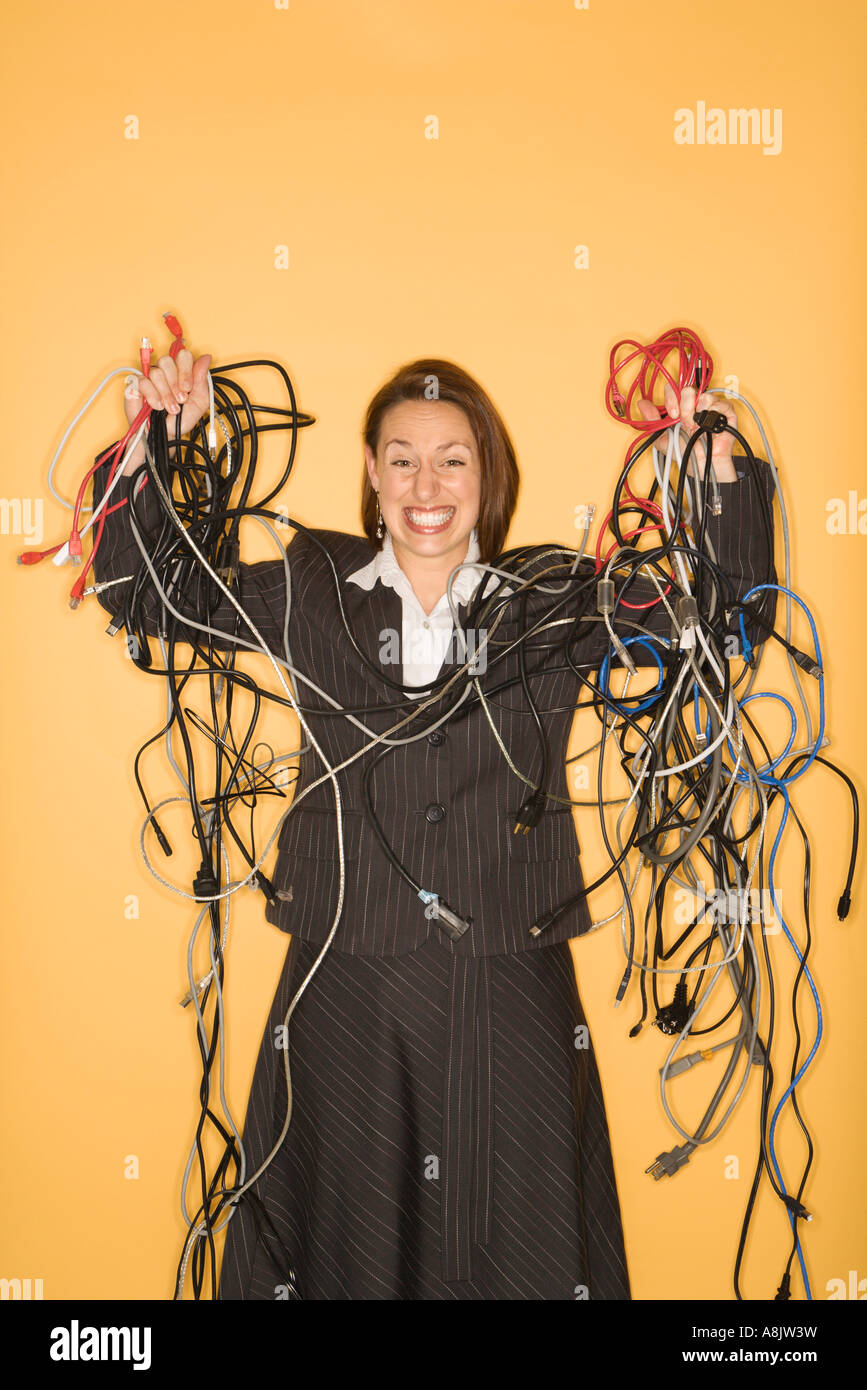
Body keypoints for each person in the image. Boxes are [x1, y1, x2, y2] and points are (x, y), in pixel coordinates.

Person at [89, 347, 776, 1300]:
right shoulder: (311, 589)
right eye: (402, 457)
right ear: (371, 474)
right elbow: (145, 596)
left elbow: (727, 616)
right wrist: (158, 444)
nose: (426, 483)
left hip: (511, 983)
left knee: (522, 1245)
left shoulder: (549, 600)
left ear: (486, 475)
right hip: (344, 982)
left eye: (453, 459)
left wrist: (712, 471)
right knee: (346, 1245)